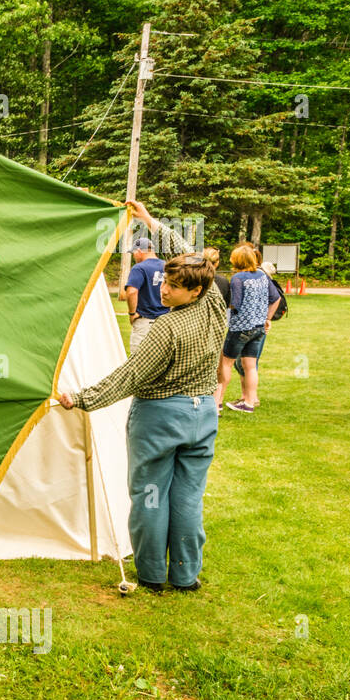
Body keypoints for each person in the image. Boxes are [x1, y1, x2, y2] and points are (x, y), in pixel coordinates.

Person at [59, 253, 226, 592]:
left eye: (175, 286)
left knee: (150, 494)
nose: (164, 290)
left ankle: (151, 574)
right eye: (165, 281)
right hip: (203, 415)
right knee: (188, 497)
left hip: (161, 418)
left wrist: (82, 398)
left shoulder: (167, 326)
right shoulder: (214, 305)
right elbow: (198, 257)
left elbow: (132, 375)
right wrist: (151, 223)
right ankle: (185, 576)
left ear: (196, 291)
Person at [217, 243, 280, 414]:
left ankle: (217, 402)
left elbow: (235, 304)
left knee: (226, 363)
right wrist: (267, 318)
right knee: (250, 366)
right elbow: (276, 298)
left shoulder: (238, 278)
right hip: (258, 327)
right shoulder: (262, 275)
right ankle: (249, 403)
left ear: (237, 260)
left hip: (240, 328)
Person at [123, 236, 167, 352]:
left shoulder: (139, 268)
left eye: (134, 253)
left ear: (139, 251)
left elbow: (132, 291)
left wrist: (132, 313)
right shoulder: (168, 266)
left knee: (138, 361)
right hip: (166, 322)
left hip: (145, 321)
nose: (134, 256)